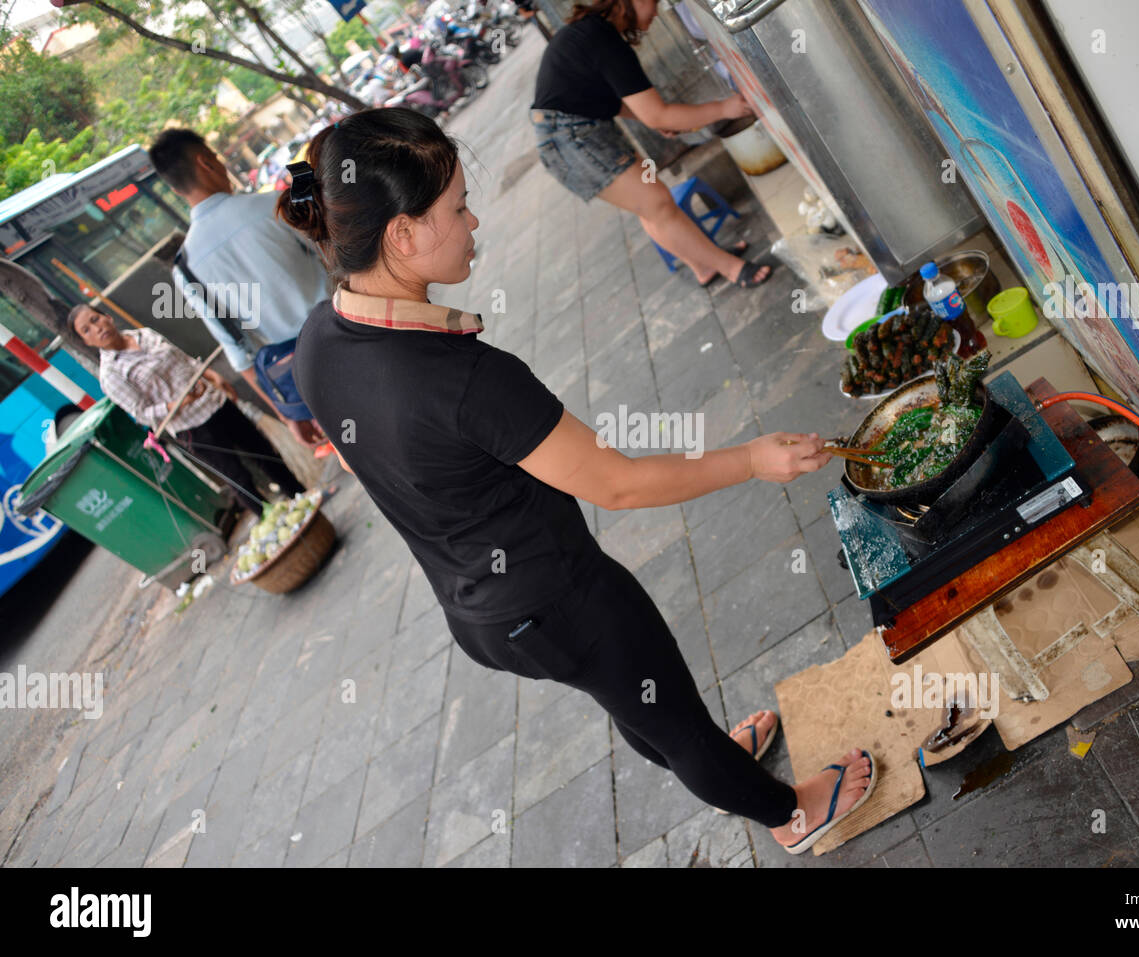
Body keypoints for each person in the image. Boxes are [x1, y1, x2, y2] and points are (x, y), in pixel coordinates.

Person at [280, 108, 876, 855]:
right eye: (457, 208)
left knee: (636, 697)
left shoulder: (317, 340)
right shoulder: (468, 381)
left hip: (481, 610)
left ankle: (707, 751)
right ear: (400, 233)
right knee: (671, 717)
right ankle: (791, 811)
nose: (473, 222)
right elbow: (617, 484)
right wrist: (752, 459)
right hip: (553, 596)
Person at [530, 0, 772, 289]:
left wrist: (653, 120)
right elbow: (658, 113)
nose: (657, 11)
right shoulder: (604, 40)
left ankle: (704, 267)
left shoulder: (594, 33)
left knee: (651, 206)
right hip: (570, 141)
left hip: (578, 134)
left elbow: (602, 98)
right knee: (656, 204)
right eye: (654, 2)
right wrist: (724, 108)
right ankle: (732, 268)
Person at [147, 128, 329, 447]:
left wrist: (288, 414)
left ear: (175, 187)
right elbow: (340, 259)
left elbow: (238, 351)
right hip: (359, 331)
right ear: (206, 163)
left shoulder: (186, 267)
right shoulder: (273, 206)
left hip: (310, 378)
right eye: (216, 157)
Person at [66, 305, 304, 516]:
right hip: (193, 428)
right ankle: (272, 521)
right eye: (86, 330)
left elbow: (184, 359)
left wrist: (212, 375)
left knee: (263, 451)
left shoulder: (145, 334)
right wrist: (179, 403)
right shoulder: (111, 375)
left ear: (107, 317)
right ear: (87, 342)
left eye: (95, 320)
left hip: (215, 402)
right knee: (238, 478)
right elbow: (142, 413)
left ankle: (301, 497)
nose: (96, 329)